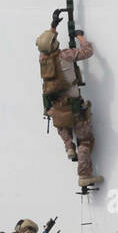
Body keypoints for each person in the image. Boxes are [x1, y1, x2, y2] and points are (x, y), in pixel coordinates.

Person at [38, 18, 103, 189]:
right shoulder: (65, 56)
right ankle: (84, 176)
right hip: (73, 107)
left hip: (56, 107)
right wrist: (81, 37)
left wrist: (52, 27)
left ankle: (68, 146)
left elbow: (46, 45)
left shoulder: (43, 59)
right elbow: (87, 52)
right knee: (85, 141)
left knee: (62, 126)